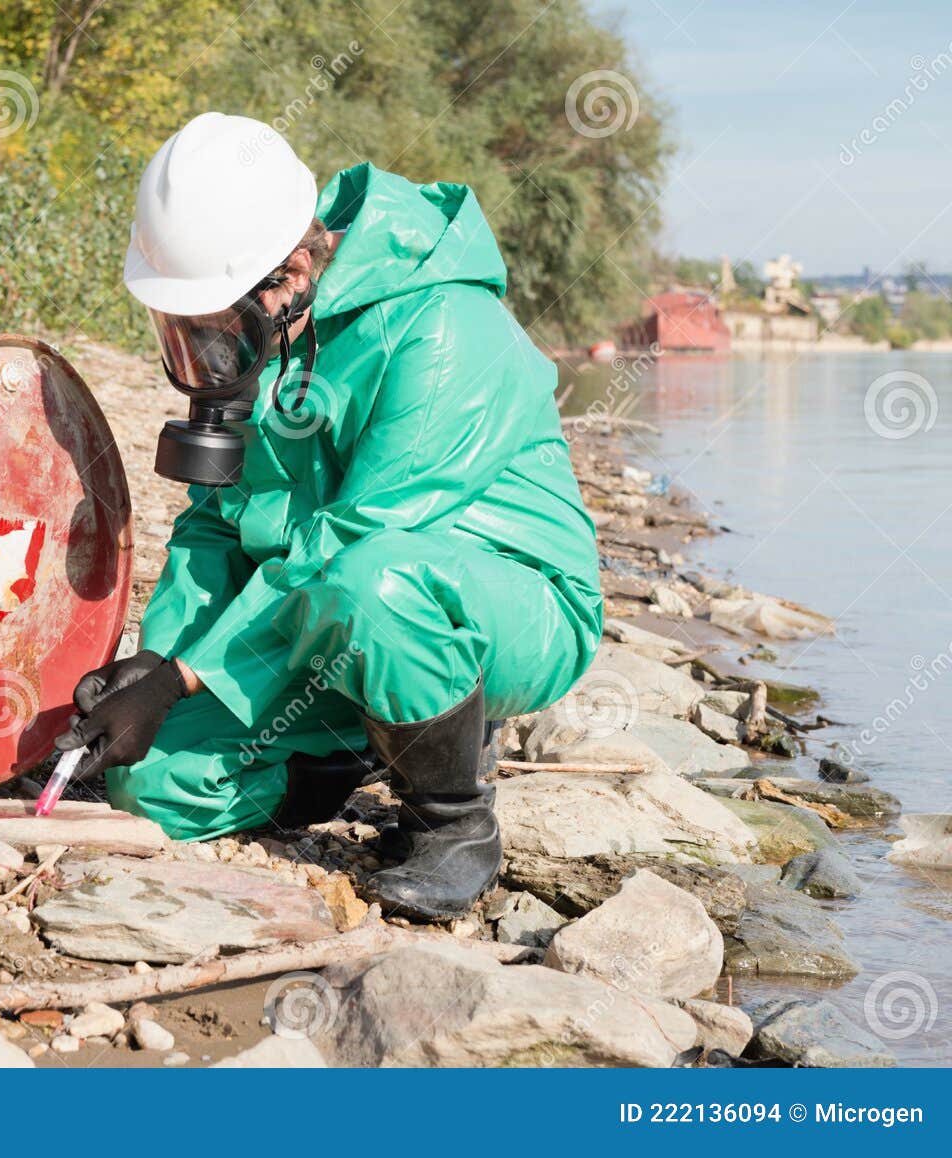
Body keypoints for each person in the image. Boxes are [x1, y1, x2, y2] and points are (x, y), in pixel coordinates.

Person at [55, 112, 603, 921]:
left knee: (373, 580)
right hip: (325, 616)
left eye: (216, 326)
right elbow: (216, 526)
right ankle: (364, 747)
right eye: (186, 330)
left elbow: (354, 537)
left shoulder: (445, 329)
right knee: (156, 786)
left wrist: (188, 675)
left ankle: (452, 819)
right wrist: (159, 661)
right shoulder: (268, 342)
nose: (205, 353)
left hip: (501, 607)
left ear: (297, 270)